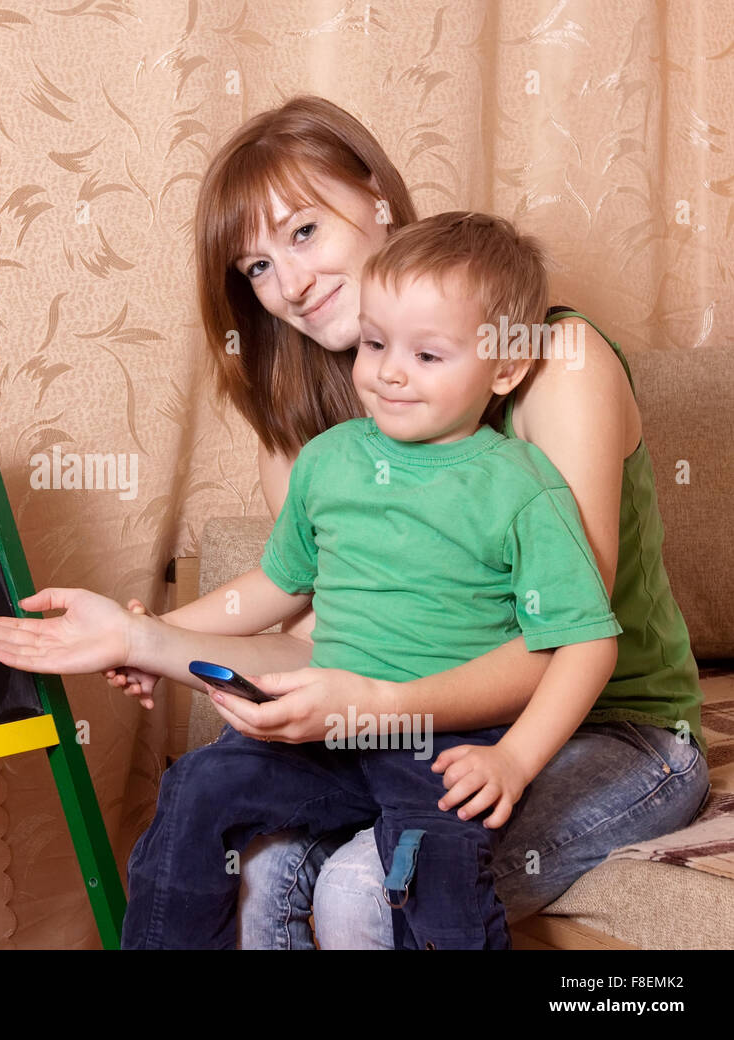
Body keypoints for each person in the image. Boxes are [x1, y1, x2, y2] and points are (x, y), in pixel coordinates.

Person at [0, 96, 708, 949]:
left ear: (377, 198)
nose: (288, 283)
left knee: (369, 883)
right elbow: (320, 638)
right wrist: (149, 640)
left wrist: (372, 705)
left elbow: (560, 646)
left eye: (304, 232)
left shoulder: (553, 360)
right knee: (264, 867)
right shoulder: (322, 443)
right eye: (255, 268)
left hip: (606, 727)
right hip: (408, 724)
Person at [123, 210, 625, 948]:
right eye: (376, 342)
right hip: (332, 725)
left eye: (428, 356)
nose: (389, 371)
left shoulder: (521, 488)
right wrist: (156, 637)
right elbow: (276, 586)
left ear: (506, 368)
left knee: (430, 872)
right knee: (198, 786)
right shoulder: (328, 460)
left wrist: (513, 758)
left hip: (443, 735)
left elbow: (584, 643)